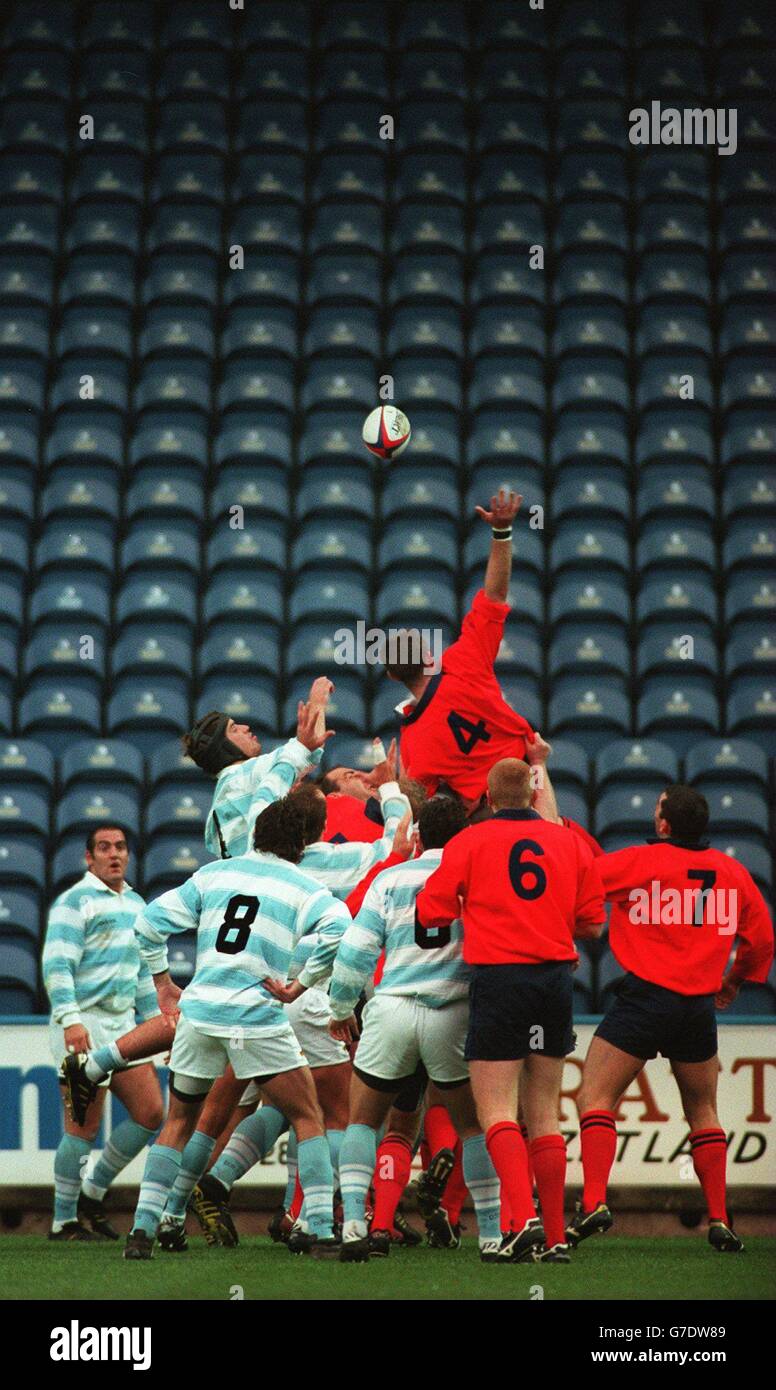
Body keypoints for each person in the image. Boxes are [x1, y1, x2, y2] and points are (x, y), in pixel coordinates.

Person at [123, 796, 352, 1261]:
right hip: (254, 1016)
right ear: (303, 843)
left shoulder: (214, 873)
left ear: (256, 834)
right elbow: (340, 930)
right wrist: (300, 985)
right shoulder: (302, 886)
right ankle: (323, 1230)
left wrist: (164, 983)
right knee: (309, 1116)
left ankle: (144, 1230)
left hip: (201, 1014)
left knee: (179, 1121)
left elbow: (147, 924)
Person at [570, 784, 774, 1255]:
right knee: (703, 1111)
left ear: (662, 824)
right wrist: (734, 981)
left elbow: (580, 883)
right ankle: (720, 1218)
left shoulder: (640, 862)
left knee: (595, 1097)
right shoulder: (733, 872)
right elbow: (761, 941)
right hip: (698, 1007)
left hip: (645, 1000)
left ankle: (596, 1202)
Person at [416, 758, 605, 1263]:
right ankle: (558, 1237)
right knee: (544, 1114)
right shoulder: (568, 842)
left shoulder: (470, 841)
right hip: (553, 983)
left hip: (499, 981)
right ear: (530, 794)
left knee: (496, 1109)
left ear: (490, 797)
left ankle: (523, 1223)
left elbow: (430, 910)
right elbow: (591, 924)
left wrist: (479, 904)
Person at [327, 796, 505, 1263]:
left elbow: (355, 952)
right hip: (455, 1010)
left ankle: (351, 1229)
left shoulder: (390, 878)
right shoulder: (479, 875)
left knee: (364, 1120)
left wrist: (341, 1006)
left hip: (393, 1010)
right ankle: (489, 1233)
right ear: (464, 835)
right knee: (472, 1127)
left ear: (419, 835)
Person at [42, 826, 164, 1241]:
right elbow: (57, 965)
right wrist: (71, 1019)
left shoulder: (136, 903)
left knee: (151, 1113)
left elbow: (143, 972)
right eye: (104, 848)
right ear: (88, 858)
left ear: (128, 855)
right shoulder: (74, 902)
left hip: (123, 1025)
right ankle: (63, 1220)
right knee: (83, 1127)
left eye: (120, 847)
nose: (114, 854)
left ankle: (91, 1195)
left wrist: (156, 1024)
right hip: (85, 1023)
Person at [384, 489, 535, 813]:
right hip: (531, 781)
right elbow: (495, 593)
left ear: (392, 676)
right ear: (428, 656)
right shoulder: (463, 659)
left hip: (485, 811)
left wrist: (390, 780)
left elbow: (418, 803)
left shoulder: (412, 743)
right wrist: (501, 531)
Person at [184, 676, 334, 859]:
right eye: (233, 729)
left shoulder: (214, 816)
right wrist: (317, 702)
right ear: (224, 748)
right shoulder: (245, 775)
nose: (245, 727)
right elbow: (309, 747)